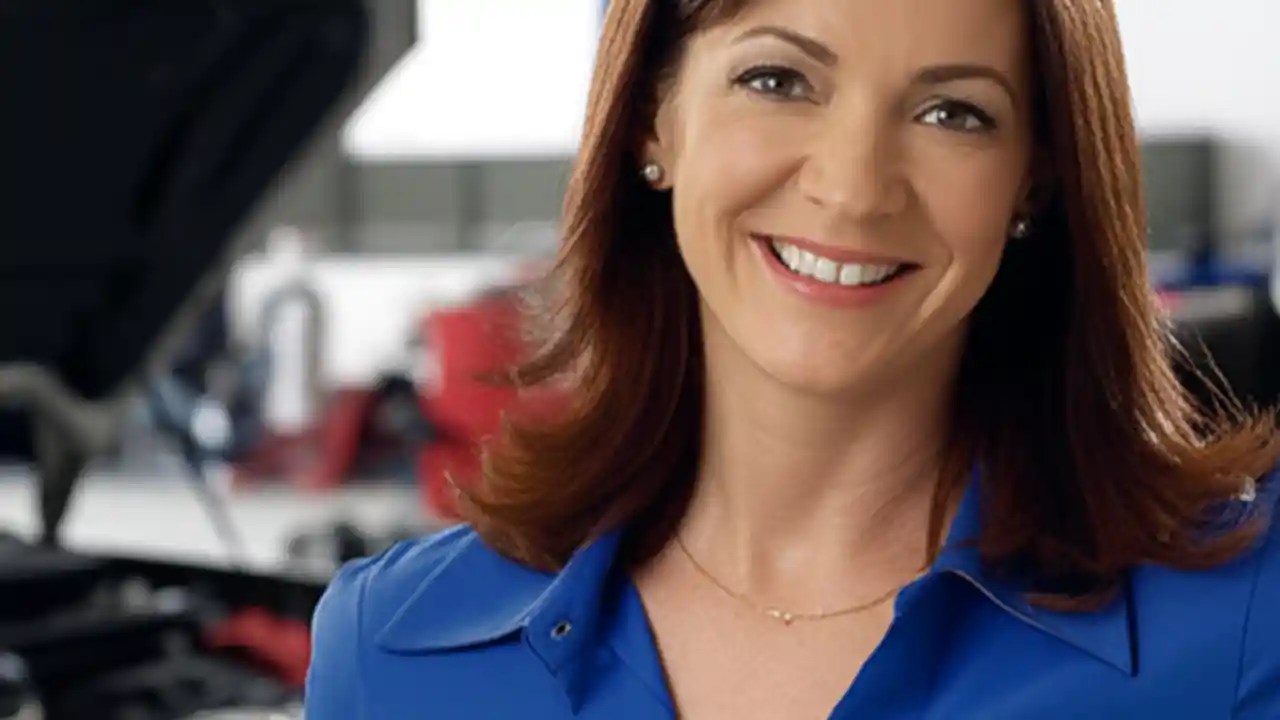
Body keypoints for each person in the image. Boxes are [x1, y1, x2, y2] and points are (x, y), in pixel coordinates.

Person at [305, 0, 1280, 717]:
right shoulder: (391, 653)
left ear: (1033, 180)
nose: (852, 188)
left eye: (952, 112)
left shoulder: (1245, 624)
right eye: (777, 81)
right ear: (653, 116)